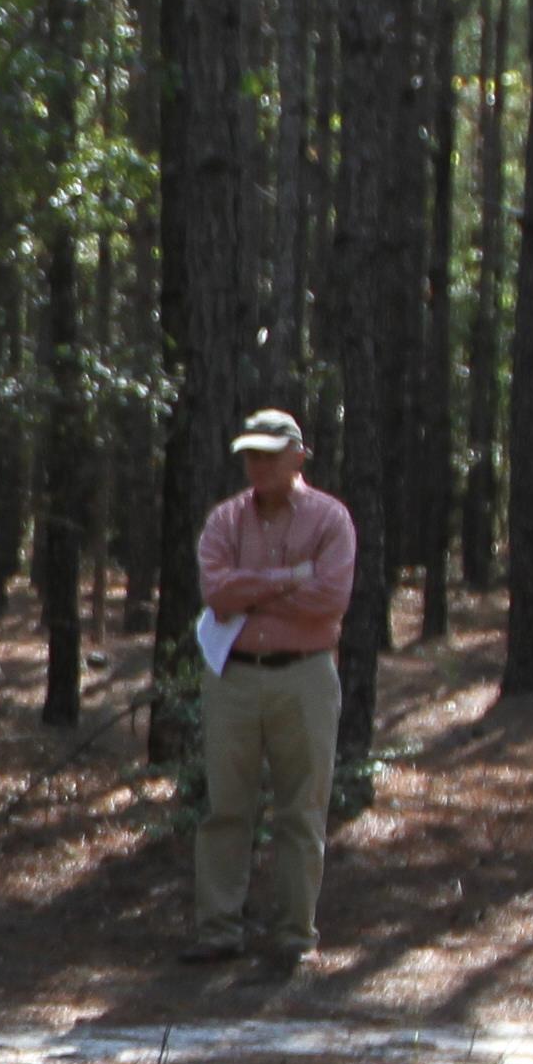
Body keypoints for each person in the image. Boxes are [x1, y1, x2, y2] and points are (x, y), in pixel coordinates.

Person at [184, 408, 355, 971]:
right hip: (233, 675)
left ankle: (293, 935)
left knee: (301, 809)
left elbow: (329, 599)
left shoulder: (331, 520)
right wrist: (287, 579)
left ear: (298, 456)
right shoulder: (225, 521)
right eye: (250, 454)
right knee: (225, 807)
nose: (257, 464)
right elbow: (217, 592)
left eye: (268, 453)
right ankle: (218, 930)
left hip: (305, 673)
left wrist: (250, 590)